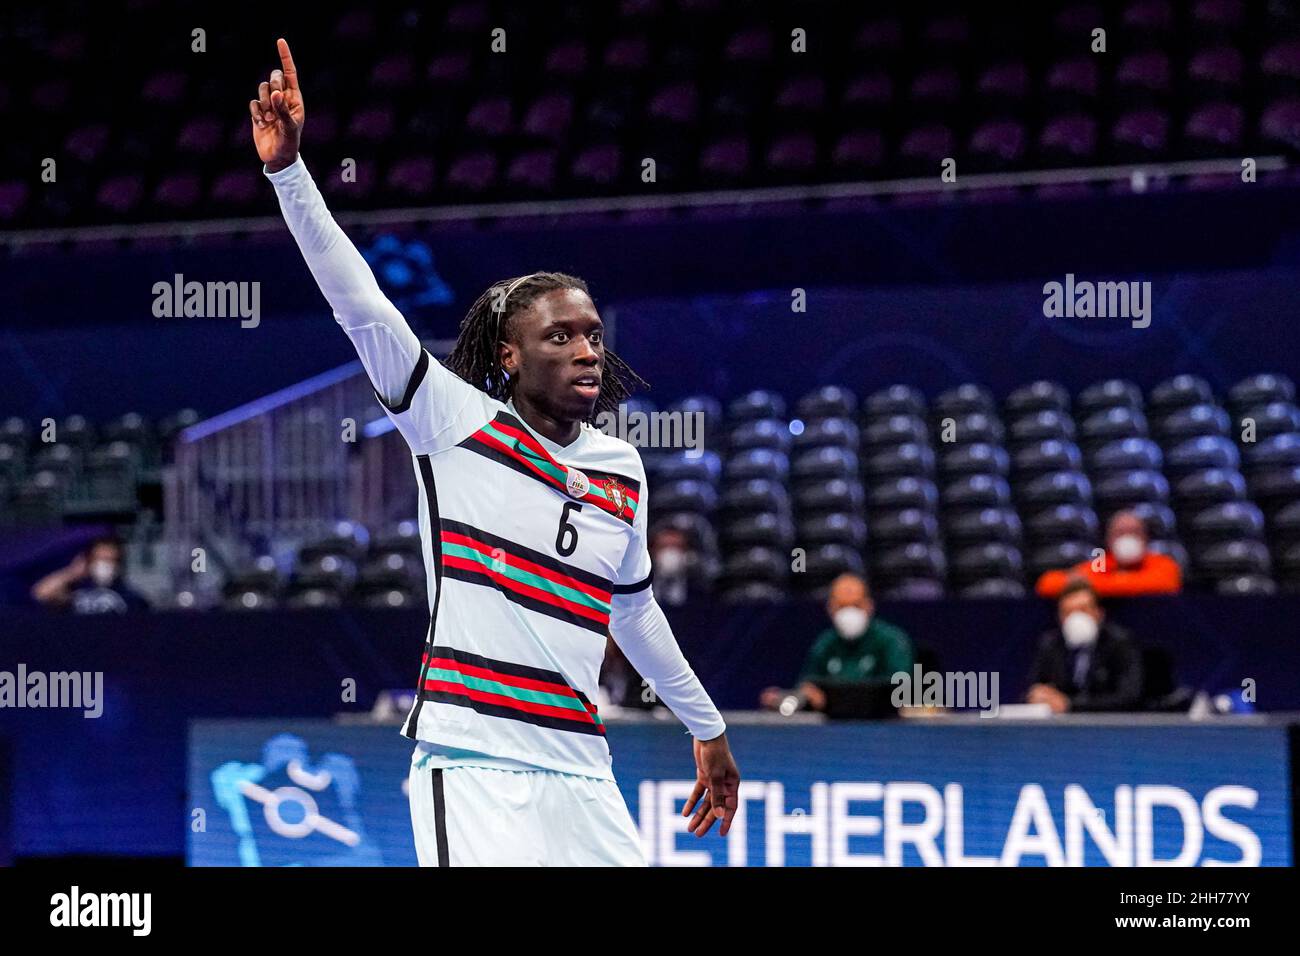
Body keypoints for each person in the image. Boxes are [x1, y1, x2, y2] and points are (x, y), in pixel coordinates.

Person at [252, 39, 738, 866]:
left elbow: (634, 612)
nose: (586, 349)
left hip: (585, 776)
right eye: (560, 335)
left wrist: (709, 728)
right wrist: (290, 173)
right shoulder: (452, 422)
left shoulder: (621, 469)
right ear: (510, 355)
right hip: (472, 767)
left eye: (591, 333)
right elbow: (358, 301)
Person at [760, 572, 913, 713]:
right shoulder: (825, 644)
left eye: (856, 605)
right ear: (830, 608)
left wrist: (833, 697)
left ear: (869, 606)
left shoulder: (892, 641)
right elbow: (808, 688)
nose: (849, 613)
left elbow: (898, 691)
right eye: (842, 606)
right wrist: (792, 697)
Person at [1026, 577, 1143, 713]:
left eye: (1083, 610)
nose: (1076, 618)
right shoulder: (1051, 644)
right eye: (1068, 612)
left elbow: (1129, 697)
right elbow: (1033, 688)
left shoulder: (1119, 642)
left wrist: (1070, 705)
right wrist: (1038, 696)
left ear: (1099, 613)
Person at [1035, 509, 1181, 598]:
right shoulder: (1102, 564)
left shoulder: (1163, 563)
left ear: (1146, 538)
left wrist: (1095, 586)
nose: (1127, 538)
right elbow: (1047, 584)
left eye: (1134, 532)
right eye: (1120, 533)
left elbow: (1164, 584)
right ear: (1109, 540)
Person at [31, 535, 150, 614]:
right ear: (89, 561)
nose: (105, 564)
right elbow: (41, 594)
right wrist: (72, 573)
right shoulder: (74, 594)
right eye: (100, 559)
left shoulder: (130, 597)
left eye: (111, 560)